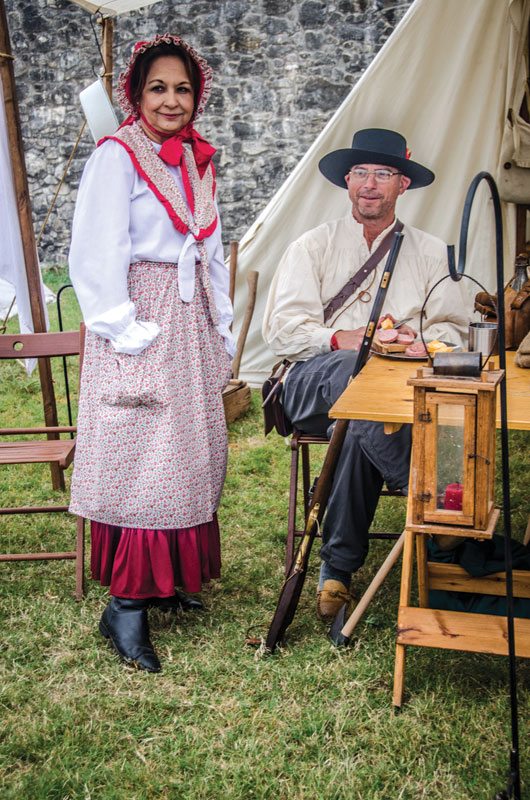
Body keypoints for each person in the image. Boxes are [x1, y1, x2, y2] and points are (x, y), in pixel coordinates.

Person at [69, 34, 234, 672]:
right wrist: (124, 327)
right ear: (136, 94)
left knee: (188, 450)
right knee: (144, 454)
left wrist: (220, 322)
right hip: (140, 317)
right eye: (158, 88)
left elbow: (211, 250)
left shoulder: (195, 160)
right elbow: (95, 248)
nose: (172, 100)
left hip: (188, 318)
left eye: (183, 89)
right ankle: (126, 604)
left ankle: (165, 580)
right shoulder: (117, 155)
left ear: (198, 96)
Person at [262, 128, 468, 623]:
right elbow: (282, 330)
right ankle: (435, 506)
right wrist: (340, 338)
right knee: (353, 374)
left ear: (403, 184)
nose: (370, 184)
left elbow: (453, 329)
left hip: (392, 394)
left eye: (382, 174)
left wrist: (422, 340)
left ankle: (337, 568)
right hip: (312, 381)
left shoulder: (431, 252)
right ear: (347, 182)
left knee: (356, 422)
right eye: (360, 173)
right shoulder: (311, 246)